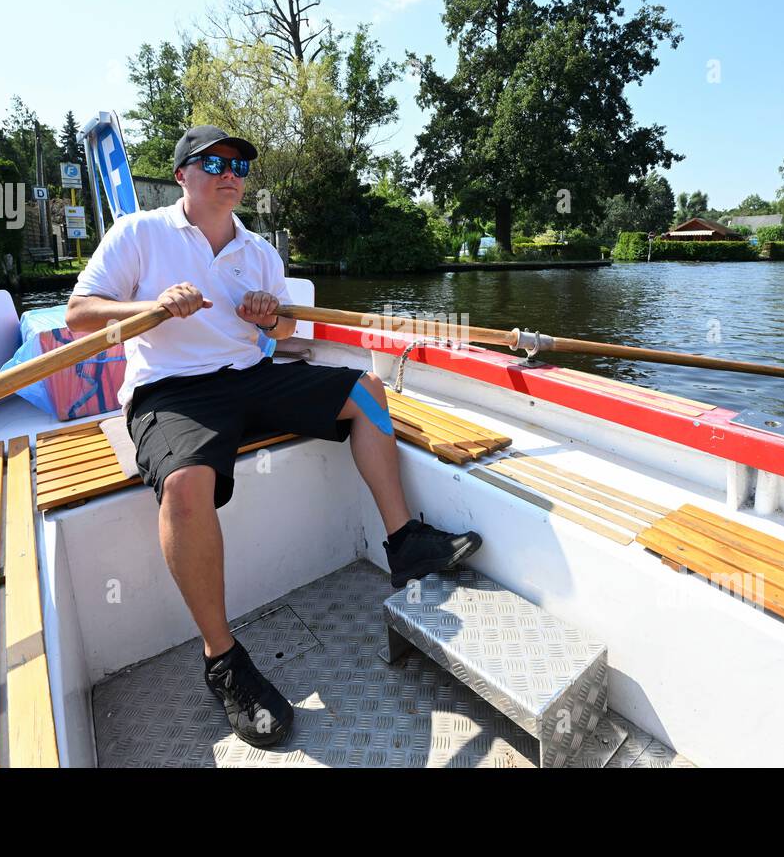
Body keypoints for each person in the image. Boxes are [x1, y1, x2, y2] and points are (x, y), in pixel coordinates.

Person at [65, 125, 483, 749]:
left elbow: (288, 324)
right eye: (213, 162)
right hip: (171, 392)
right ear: (182, 174)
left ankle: (405, 544)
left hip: (251, 376)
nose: (228, 172)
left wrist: (271, 316)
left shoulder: (257, 250)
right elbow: (79, 315)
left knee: (366, 390)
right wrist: (148, 307)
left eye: (238, 165)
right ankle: (223, 660)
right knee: (183, 485)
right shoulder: (140, 234)